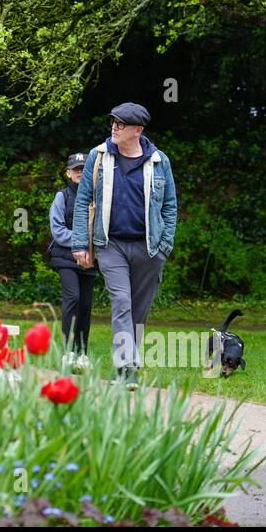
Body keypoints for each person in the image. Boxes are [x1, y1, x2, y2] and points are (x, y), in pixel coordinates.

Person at [71, 102, 178, 388]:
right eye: (113, 122)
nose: (115, 127)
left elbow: (169, 206)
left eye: (122, 123)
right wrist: (81, 243)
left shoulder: (159, 161)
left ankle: (129, 361)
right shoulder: (99, 156)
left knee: (138, 311)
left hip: (149, 248)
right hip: (111, 244)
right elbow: (83, 201)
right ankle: (126, 369)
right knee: (121, 303)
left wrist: (165, 245)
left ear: (138, 130)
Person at [48, 152, 97, 370]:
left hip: (89, 259)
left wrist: (90, 247)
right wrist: (80, 242)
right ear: (68, 173)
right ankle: (67, 351)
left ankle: (82, 352)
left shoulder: (97, 198)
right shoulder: (62, 197)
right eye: (75, 169)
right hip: (65, 257)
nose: (79, 172)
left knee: (86, 305)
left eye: (83, 169)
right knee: (73, 298)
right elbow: (58, 230)